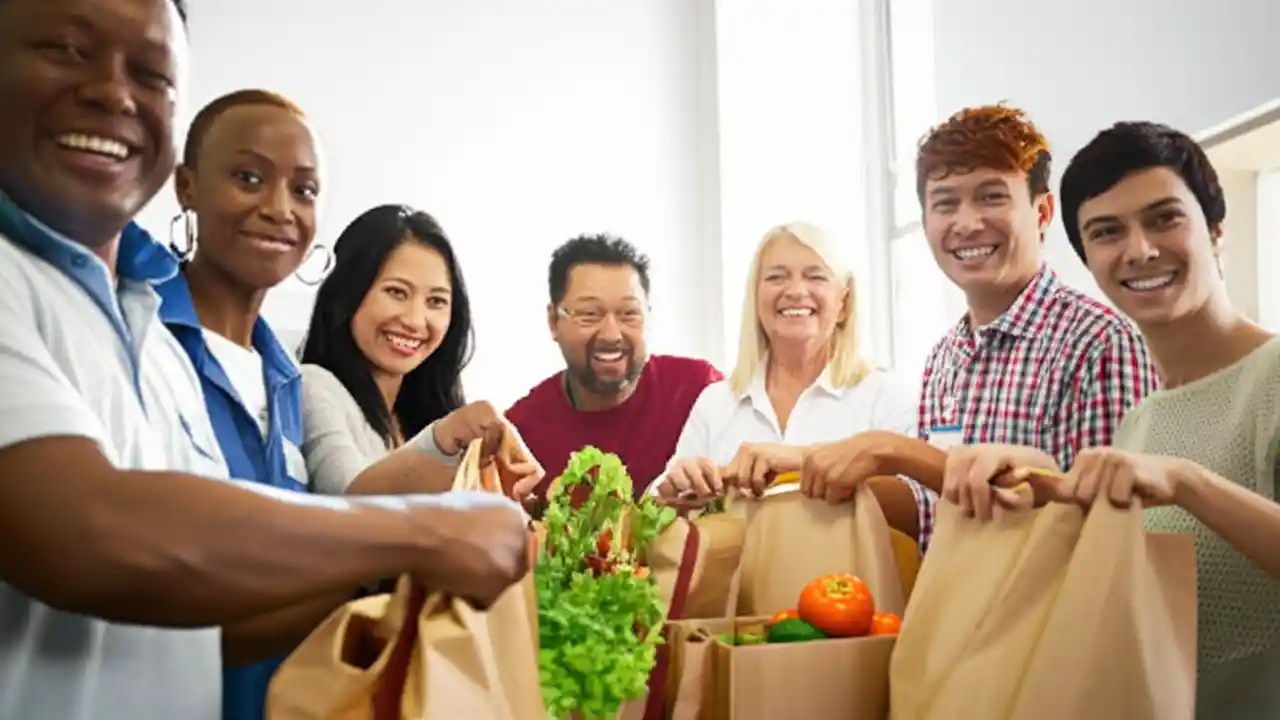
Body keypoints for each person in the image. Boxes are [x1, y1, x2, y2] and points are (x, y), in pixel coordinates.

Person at [0, 2, 529, 718]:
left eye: (152, 74)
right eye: (67, 48)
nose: (112, 92)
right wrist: (426, 531)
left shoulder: (150, 340)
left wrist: (407, 569)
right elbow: (82, 532)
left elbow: (212, 613)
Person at [944, 121, 1280, 718]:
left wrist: (1186, 481)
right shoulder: (1142, 419)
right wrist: (1035, 479)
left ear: (1216, 230)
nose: (1140, 250)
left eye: (1164, 218)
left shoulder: (1272, 374)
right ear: (1088, 260)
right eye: (1107, 232)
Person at [798, 104, 1156, 551]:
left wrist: (893, 450)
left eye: (991, 197)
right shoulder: (944, 358)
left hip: (1056, 617)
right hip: (959, 609)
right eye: (945, 203)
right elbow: (940, 515)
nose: (966, 224)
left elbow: (1103, 523)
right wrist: (801, 470)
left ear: (1042, 212)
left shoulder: (1099, 342)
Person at [154, 88, 329, 720]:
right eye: (249, 178)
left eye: (304, 190)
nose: (280, 210)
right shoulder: (142, 339)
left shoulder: (289, 380)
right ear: (188, 187)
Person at [648, 222, 925, 533]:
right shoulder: (716, 403)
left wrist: (811, 465)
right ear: (756, 299)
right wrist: (674, 491)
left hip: (851, 582)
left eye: (815, 276)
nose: (794, 291)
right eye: (776, 277)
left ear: (844, 304)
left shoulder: (884, 396)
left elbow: (924, 511)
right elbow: (655, 513)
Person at [300, 204, 542, 498]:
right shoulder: (313, 385)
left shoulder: (419, 412)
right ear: (347, 293)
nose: (415, 320)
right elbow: (346, 500)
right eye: (396, 293)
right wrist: (445, 436)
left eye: (436, 301)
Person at [506, 234, 723, 499]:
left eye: (629, 314)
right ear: (553, 321)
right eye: (590, 314)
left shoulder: (700, 389)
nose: (611, 335)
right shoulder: (522, 432)